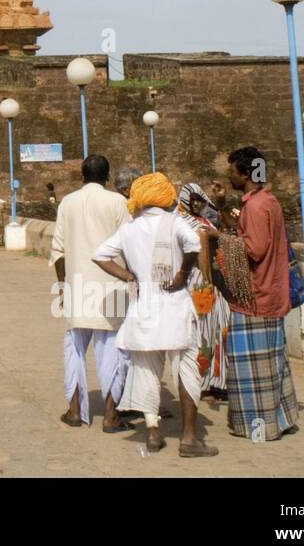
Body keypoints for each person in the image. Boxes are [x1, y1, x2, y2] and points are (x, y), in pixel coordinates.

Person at [93, 173, 218, 457]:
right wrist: (182, 274)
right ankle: (188, 439)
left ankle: (152, 433)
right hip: (174, 307)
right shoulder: (175, 222)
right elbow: (195, 246)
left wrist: (128, 275)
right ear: (164, 195)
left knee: (147, 372)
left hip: (143, 310)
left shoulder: (130, 229)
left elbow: (99, 255)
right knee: (185, 371)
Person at [50, 154, 132, 431]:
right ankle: (110, 416)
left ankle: (74, 411)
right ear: (108, 176)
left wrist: (62, 288)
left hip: (77, 287)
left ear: (82, 176)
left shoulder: (68, 203)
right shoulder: (118, 202)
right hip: (111, 288)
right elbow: (130, 246)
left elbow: (58, 251)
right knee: (113, 352)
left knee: (73, 349)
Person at [223, 145, 299, 441]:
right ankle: (280, 419)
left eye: (232, 171)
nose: (229, 176)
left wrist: (221, 238)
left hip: (255, 296)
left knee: (252, 367)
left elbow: (254, 248)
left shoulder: (255, 206)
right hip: (271, 293)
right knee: (273, 363)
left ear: (244, 173)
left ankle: (260, 427)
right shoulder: (268, 201)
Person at [178, 182, 229, 400]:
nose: (197, 204)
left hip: (212, 283)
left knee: (220, 326)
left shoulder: (204, 220)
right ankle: (202, 383)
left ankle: (219, 380)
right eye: (194, 200)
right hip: (198, 282)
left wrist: (220, 202)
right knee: (203, 333)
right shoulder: (182, 221)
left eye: (200, 200)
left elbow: (225, 231)